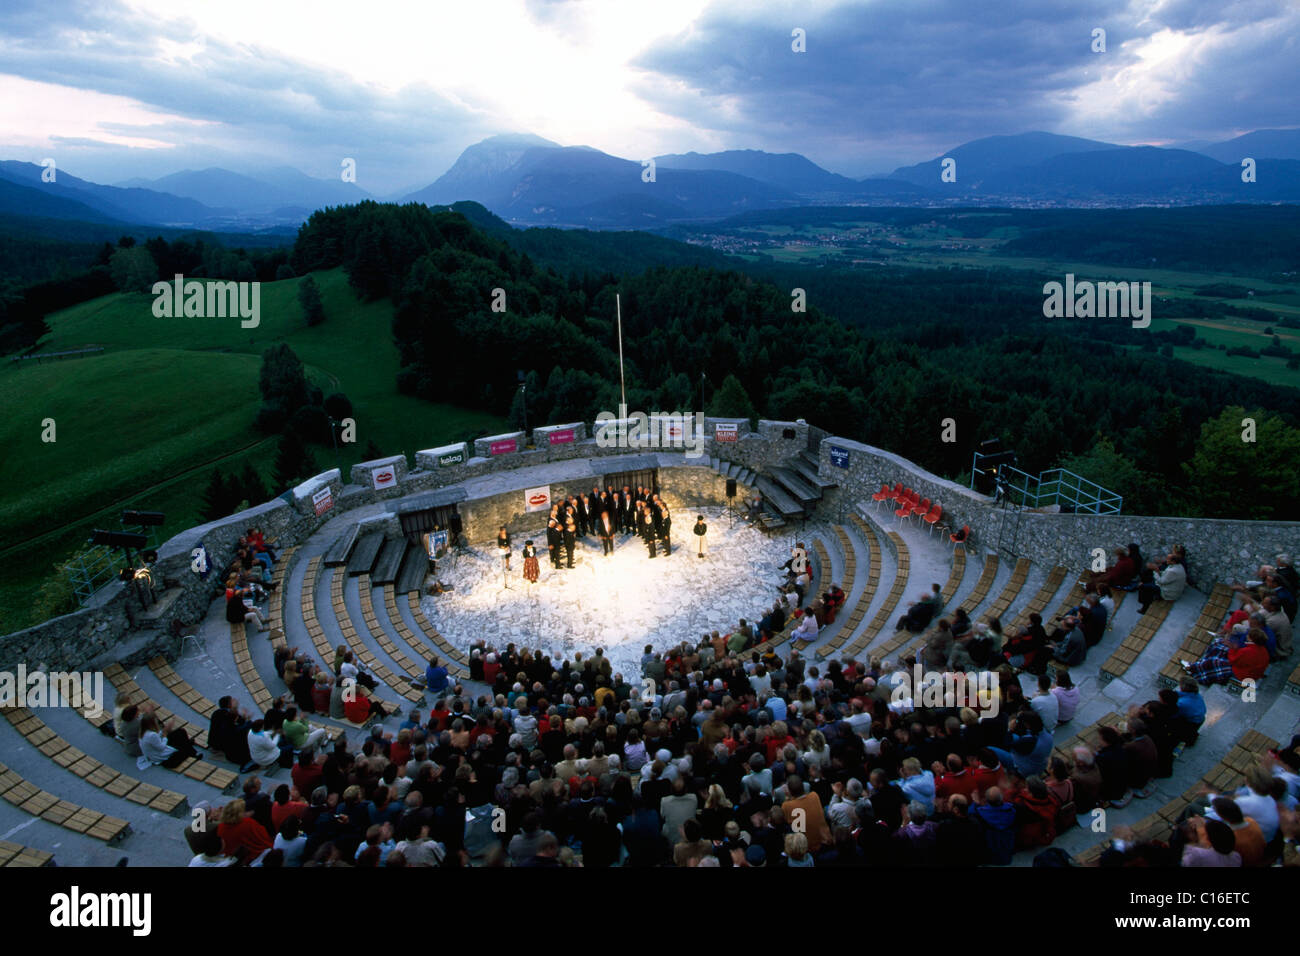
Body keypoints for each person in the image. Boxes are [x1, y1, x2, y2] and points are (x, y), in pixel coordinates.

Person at [1183, 628, 1269, 685]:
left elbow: (1233, 660)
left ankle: (1193, 668)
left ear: (1251, 638)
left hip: (1243, 674)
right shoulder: (1262, 650)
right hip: (1245, 668)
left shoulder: (1249, 651)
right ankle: (1199, 665)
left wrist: (1232, 648)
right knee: (1219, 644)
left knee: (1214, 662)